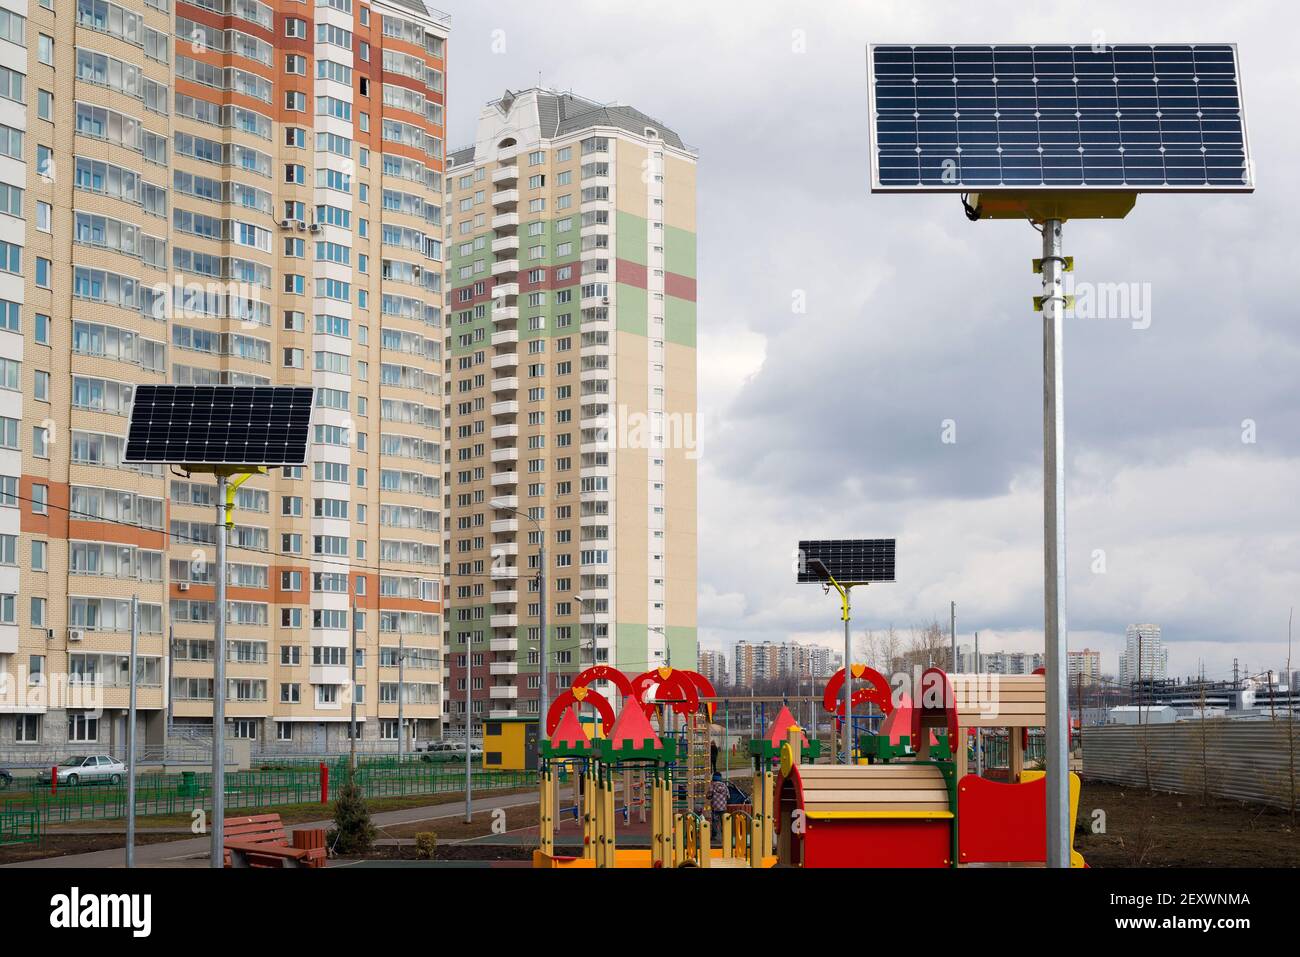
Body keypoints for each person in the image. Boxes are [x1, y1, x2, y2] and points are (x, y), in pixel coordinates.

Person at [708, 771, 729, 842]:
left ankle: (714, 836)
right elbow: (728, 796)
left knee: (715, 821)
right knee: (723, 821)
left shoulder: (712, 785)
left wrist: (710, 797)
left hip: (715, 807)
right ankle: (725, 834)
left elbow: (709, 795)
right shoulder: (724, 785)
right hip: (723, 807)